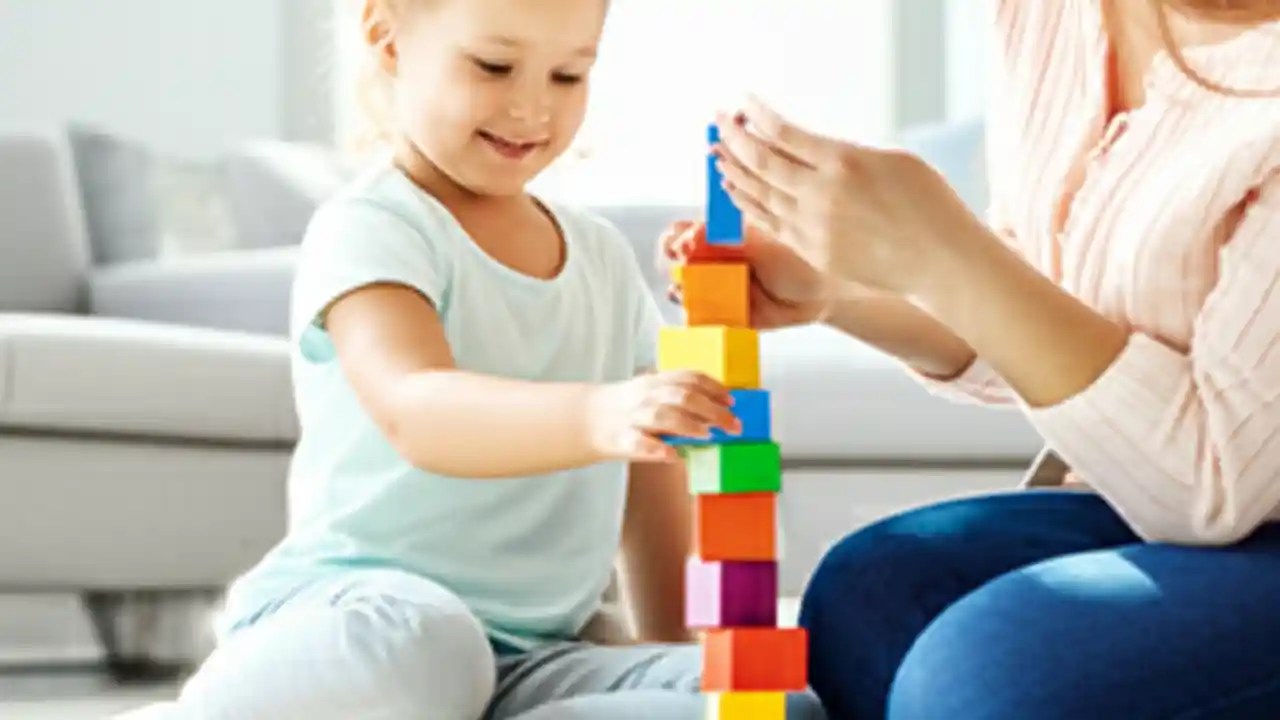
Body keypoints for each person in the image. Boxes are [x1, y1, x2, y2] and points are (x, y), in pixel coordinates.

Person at [157, 0, 824, 718]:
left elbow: (650, 485)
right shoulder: (375, 226)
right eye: (494, 66)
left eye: (569, 75)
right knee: (429, 650)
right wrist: (599, 415)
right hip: (365, 621)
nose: (532, 107)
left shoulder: (599, 257)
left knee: (775, 705)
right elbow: (416, 407)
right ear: (388, 40)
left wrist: (681, 651)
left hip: (540, 658)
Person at [663, 0, 1280, 717]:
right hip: (1168, 499)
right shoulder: (1048, 14)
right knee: (867, 599)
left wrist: (941, 251)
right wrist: (838, 291)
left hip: (1232, 499)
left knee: (976, 682)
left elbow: (1216, 484)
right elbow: (1041, 311)